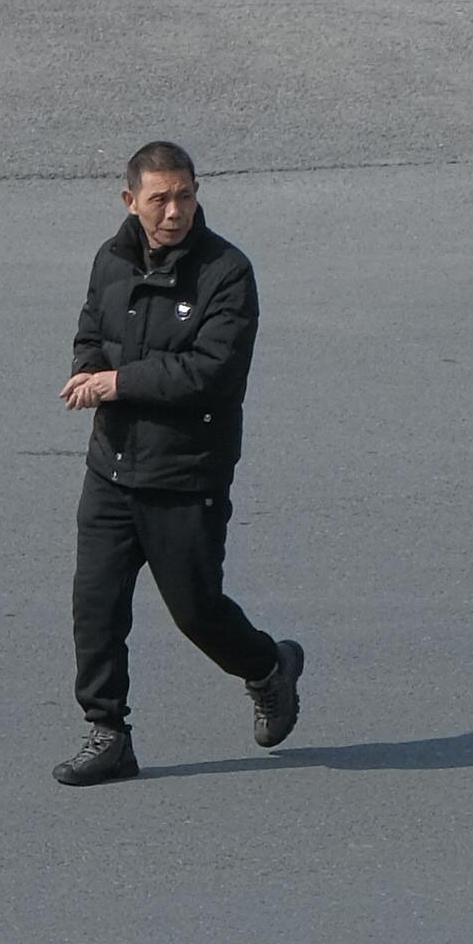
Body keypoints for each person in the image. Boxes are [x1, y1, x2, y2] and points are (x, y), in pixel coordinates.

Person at [56, 139, 303, 786]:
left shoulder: (227, 272)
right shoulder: (111, 260)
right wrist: (87, 370)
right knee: (95, 604)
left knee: (196, 612)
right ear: (129, 200)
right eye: (160, 198)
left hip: (185, 474)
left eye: (185, 195)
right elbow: (91, 332)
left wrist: (116, 382)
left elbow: (211, 373)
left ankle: (268, 667)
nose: (174, 211)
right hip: (111, 468)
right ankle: (108, 732)